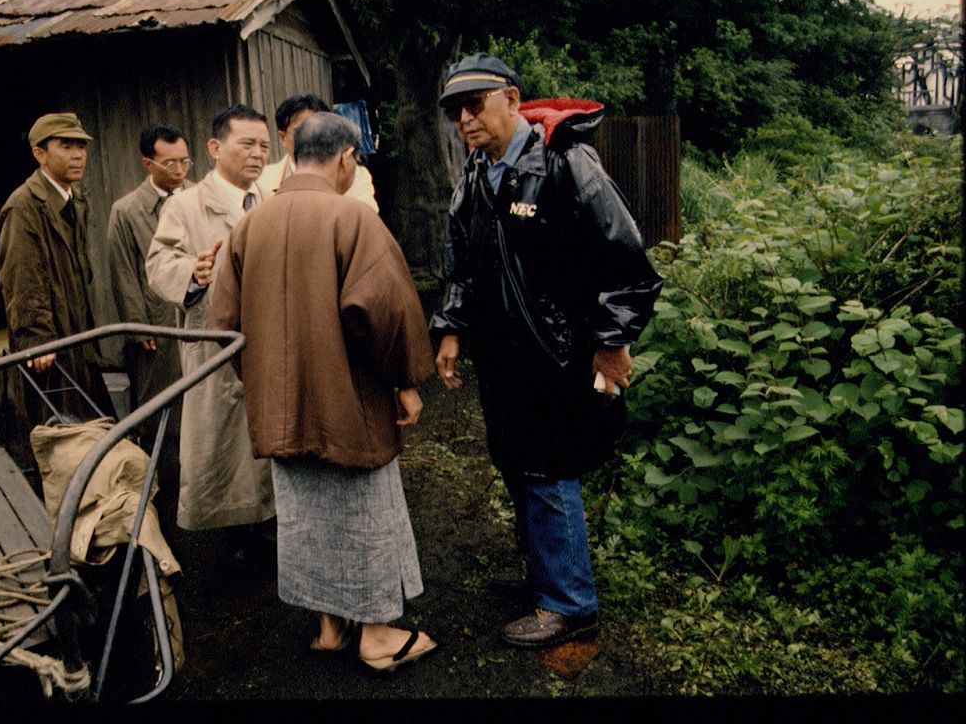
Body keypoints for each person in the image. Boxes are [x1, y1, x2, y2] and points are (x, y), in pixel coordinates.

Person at [430, 53, 663, 648]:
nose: (464, 119)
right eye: (455, 110)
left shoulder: (564, 161)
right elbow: (464, 261)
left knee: (549, 469)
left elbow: (627, 260)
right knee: (515, 461)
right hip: (502, 356)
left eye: (474, 103)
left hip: (558, 353)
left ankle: (571, 605)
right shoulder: (476, 172)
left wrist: (613, 343)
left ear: (510, 97)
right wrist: (452, 326)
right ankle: (544, 575)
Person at [210, 112, 437, 671]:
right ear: (343, 157)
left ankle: (331, 627)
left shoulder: (249, 226)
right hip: (349, 404)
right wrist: (406, 383)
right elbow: (385, 313)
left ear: (291, 157)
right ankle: (378, 635)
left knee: (306, 516)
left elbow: (223, 324)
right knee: (365, 512)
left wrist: (262, 382)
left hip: (281, 411)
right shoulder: (352, 219)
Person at [144, 105, 274, 555]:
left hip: (269, 343)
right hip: (216, 347)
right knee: (222, 445)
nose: (258, 154)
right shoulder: (185, 205)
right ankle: (233, 535)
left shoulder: (272, 199)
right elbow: (158, 263)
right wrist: (192, 274)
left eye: (264, 145)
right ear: (216, 148)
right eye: (247, 144)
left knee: (266, 437)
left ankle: (266, 522)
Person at [0, 112, 114, 441]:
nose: (78, 155)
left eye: (81, 146)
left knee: (88, 426)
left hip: (76, 329)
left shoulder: (74, 199)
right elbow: (21, 279)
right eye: (66, 146)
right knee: (55, 429)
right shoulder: (24, 207)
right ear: (40, 153)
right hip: (49, 342)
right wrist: (36, 338)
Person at [106, 125, 192, 447]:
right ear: (147, 163)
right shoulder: (126, 211)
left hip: (197, 317)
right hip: (156, 325)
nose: (179, 170)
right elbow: (123, 273)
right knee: (159, 408)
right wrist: (138, 326)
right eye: (169, 163)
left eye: (184, 161)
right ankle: (161, 480)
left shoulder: (198, 198)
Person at [258, 94, 379, 211]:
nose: (311, 138)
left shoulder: (353, 175)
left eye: (320, 131)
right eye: (301, 131)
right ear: (282, 137)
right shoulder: (262, 180)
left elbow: (364, 219)